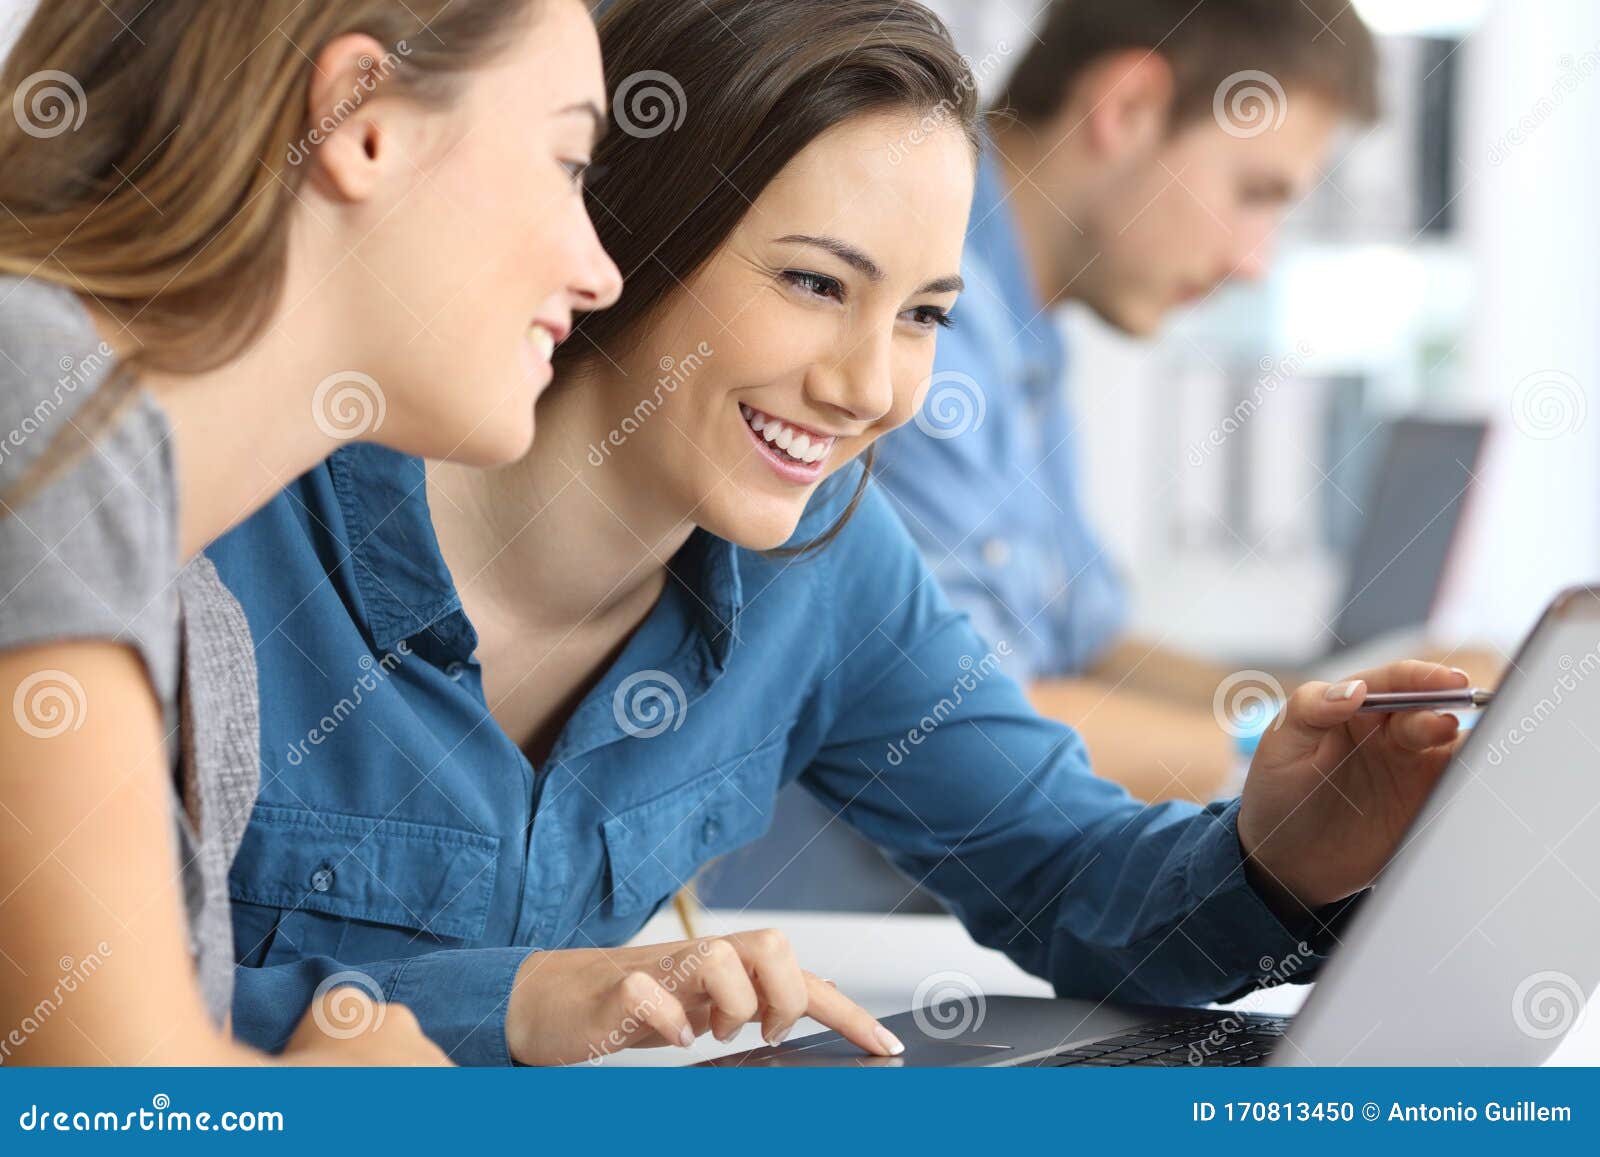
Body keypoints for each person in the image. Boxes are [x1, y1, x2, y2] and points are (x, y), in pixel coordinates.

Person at [211, 0, 1469, 1068]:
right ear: (622, 241)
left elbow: (1063, 869)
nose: (873, 387)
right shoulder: (235, 519)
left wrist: (1279, 849)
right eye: (815, 283)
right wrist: (519, 1001)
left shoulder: (822, 564)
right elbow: (71, 1019)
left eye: (924, 313)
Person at [0, 0, 620, 1065]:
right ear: (360, 123)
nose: (598, 270)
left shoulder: (206, 628)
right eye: (567, 163)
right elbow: (112, 1110)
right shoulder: (35, 389)